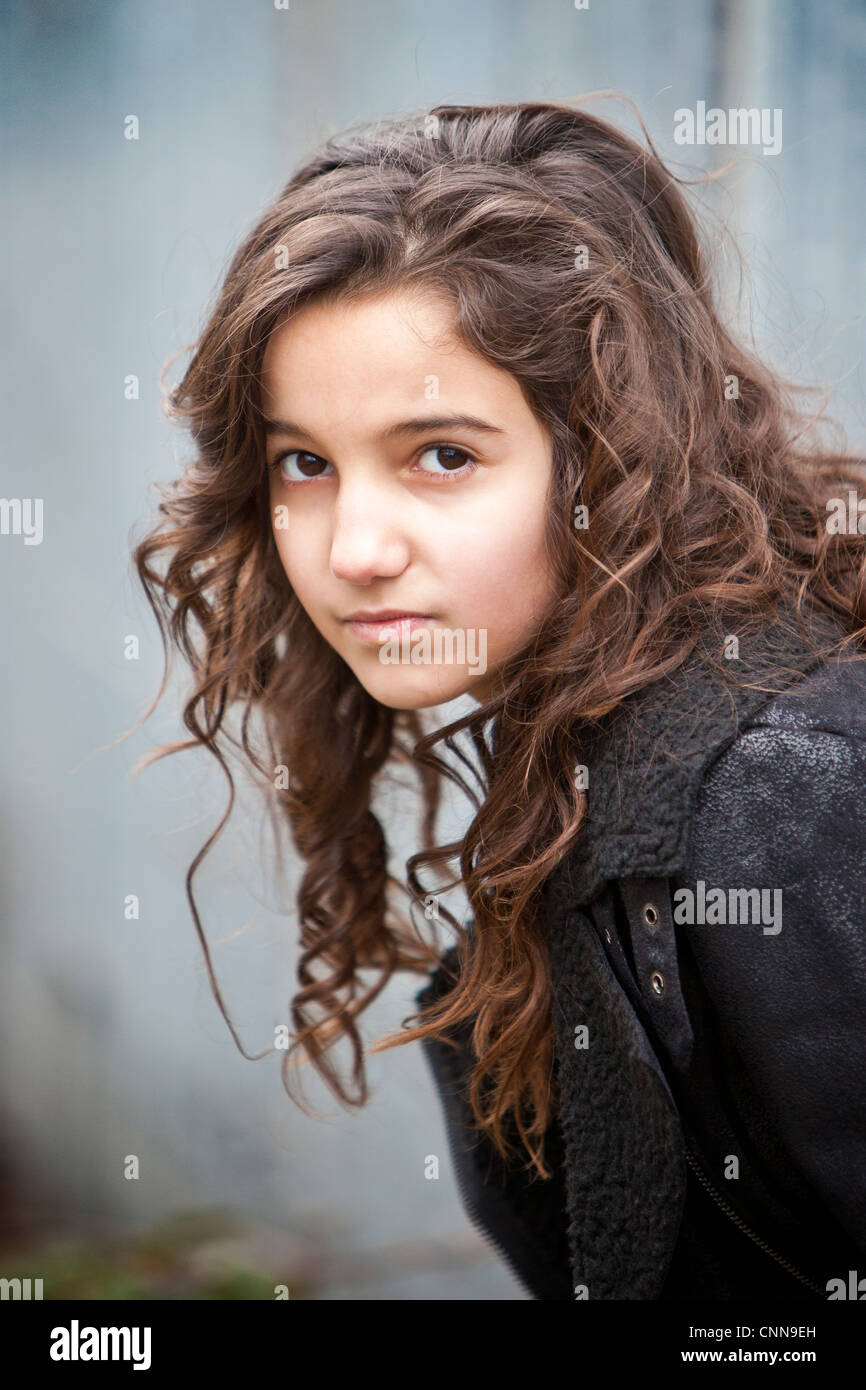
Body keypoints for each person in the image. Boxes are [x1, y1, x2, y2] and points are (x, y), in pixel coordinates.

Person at [132, 98, 866, 1299]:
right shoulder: (597, 755)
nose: (353, 545)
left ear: (611, 456)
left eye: (441, 455)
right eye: (303, 462)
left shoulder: (781, 793)